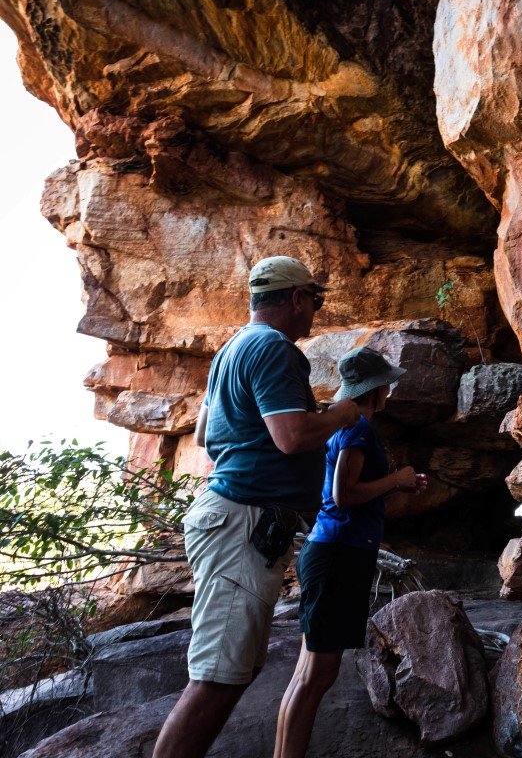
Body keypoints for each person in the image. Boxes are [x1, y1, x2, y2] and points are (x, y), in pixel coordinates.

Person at [154, 256, 361, 758]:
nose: (315, 310)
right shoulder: (273, 348)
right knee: (218, 679)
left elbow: (204, 434)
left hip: (232, 518)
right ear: (296, 299)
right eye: (315, 299)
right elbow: (291, 438)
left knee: (232, 671)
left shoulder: (230, 351)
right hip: (242, 521)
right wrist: (343, 411)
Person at [274, 346, 428, 758]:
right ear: (377, 389)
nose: (390, 391)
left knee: (308, 674)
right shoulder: (359, 428)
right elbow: (344, 495)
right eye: (387, 384)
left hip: (334, 551)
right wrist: (396, 479)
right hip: (339, 554)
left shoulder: (349, 425)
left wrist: (399, 482)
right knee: (317, 675)